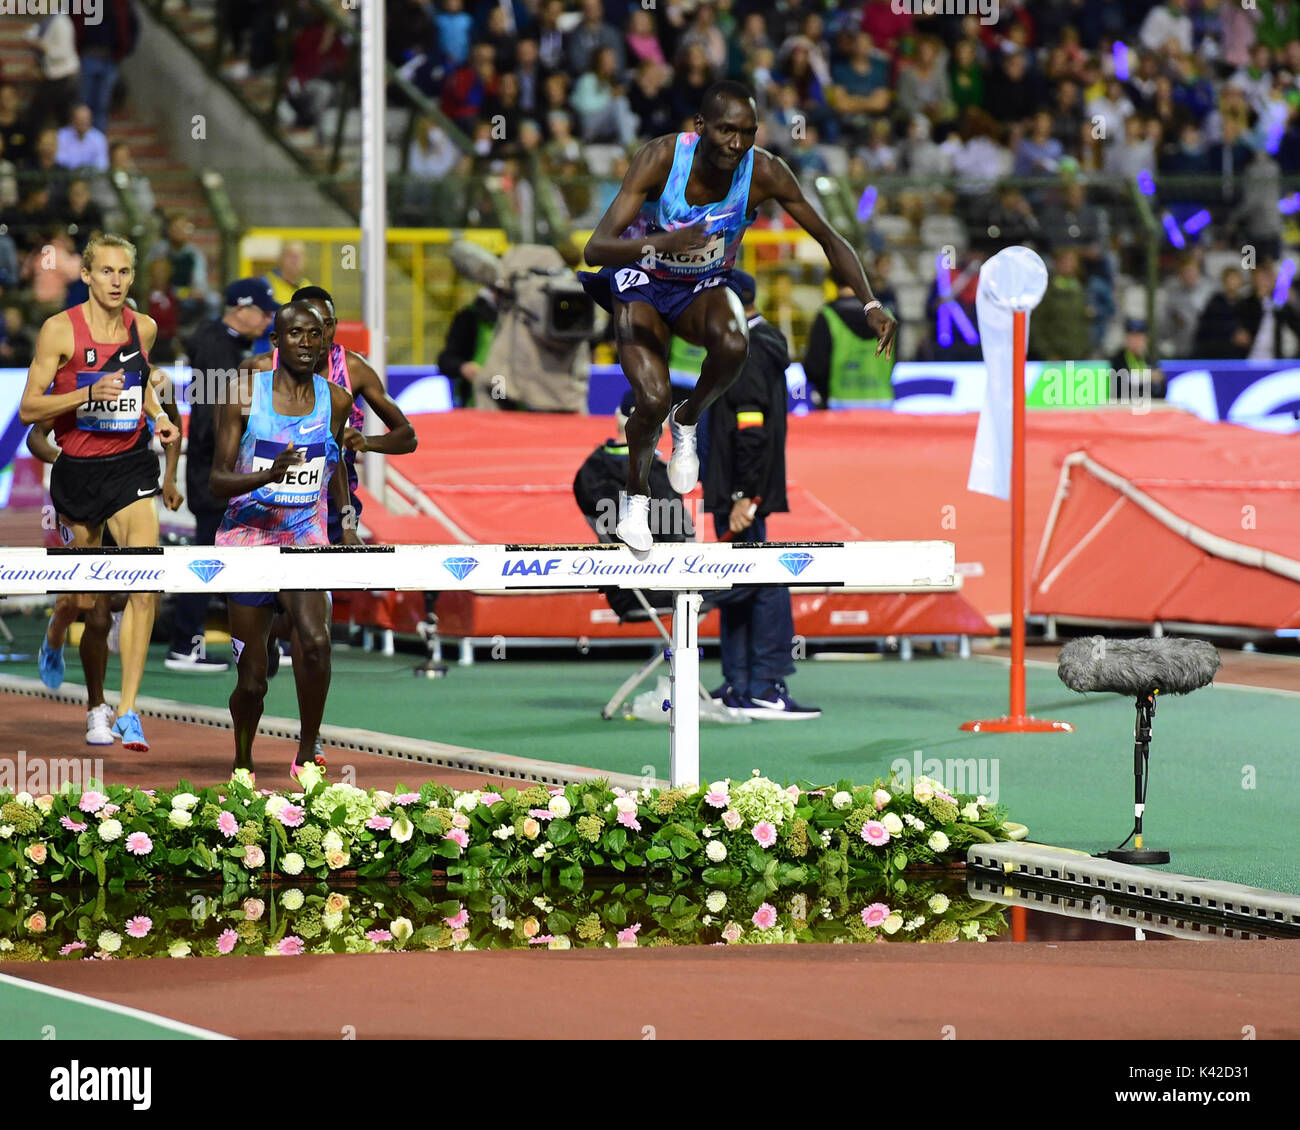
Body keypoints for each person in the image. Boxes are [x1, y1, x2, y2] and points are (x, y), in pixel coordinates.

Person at [579, 80, 896, 552]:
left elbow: (829, 237)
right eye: (727, 130)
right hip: (641, 280)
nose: (736, 143)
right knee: (650, 399)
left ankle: (687, 419)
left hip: (701, 287)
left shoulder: (765, 172)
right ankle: (637, 499)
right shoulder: (662, 158)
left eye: (747, 132)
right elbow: (594, 248)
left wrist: (870, 302)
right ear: (700, 127)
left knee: (735, 343)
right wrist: (662, 243)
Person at [17, 232, 181, 752]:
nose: (116, 281)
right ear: (86, 274)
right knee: (86, 601)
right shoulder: (58, 330)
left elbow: (142, 377)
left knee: (143, 578)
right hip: (77, 469)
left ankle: (126, 709)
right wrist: (87, 391)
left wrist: (158, 417)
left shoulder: (144, 327)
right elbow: (28, 411)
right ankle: (56, 626)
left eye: (124, 273)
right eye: (106, 272)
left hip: (129, 465)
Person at [209, 300, 359, 782]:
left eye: (315, 336)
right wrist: (268, 475)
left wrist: (347, 519)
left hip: (303, 535)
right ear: (275, 342)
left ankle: (307, 750)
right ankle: (243, 758)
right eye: (296, 334)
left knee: (315, 641)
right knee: (253, 680)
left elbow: (333, 465)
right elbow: (215, 481)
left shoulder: (335, 399)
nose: (307, 343)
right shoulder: (242, 394)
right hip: (247, 536)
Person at [701, 270, 818, 720]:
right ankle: (742, 683)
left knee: (760, 584)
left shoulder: (748, 352)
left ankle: (762, 684)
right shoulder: (743, 345)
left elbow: (750, 430)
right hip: (734, 491)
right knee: (741, 583)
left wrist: (742, 497)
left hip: (739, 496)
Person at [166, 277, 278, 673]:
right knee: (209, 557)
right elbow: (217, 417)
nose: (269, 321)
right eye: (264, 312)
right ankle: (184, 644)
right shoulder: (217, 347)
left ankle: (197, 642)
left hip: (215, 467)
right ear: (242, 309)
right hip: (215, 469)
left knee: (214, 555)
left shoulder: (221, 342)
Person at [803, 264, 897, 407]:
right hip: (882, 402)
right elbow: (896, 357)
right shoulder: (887, 316)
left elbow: (815, 367)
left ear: (833, 280)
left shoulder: (827, 316)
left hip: (840, 403)